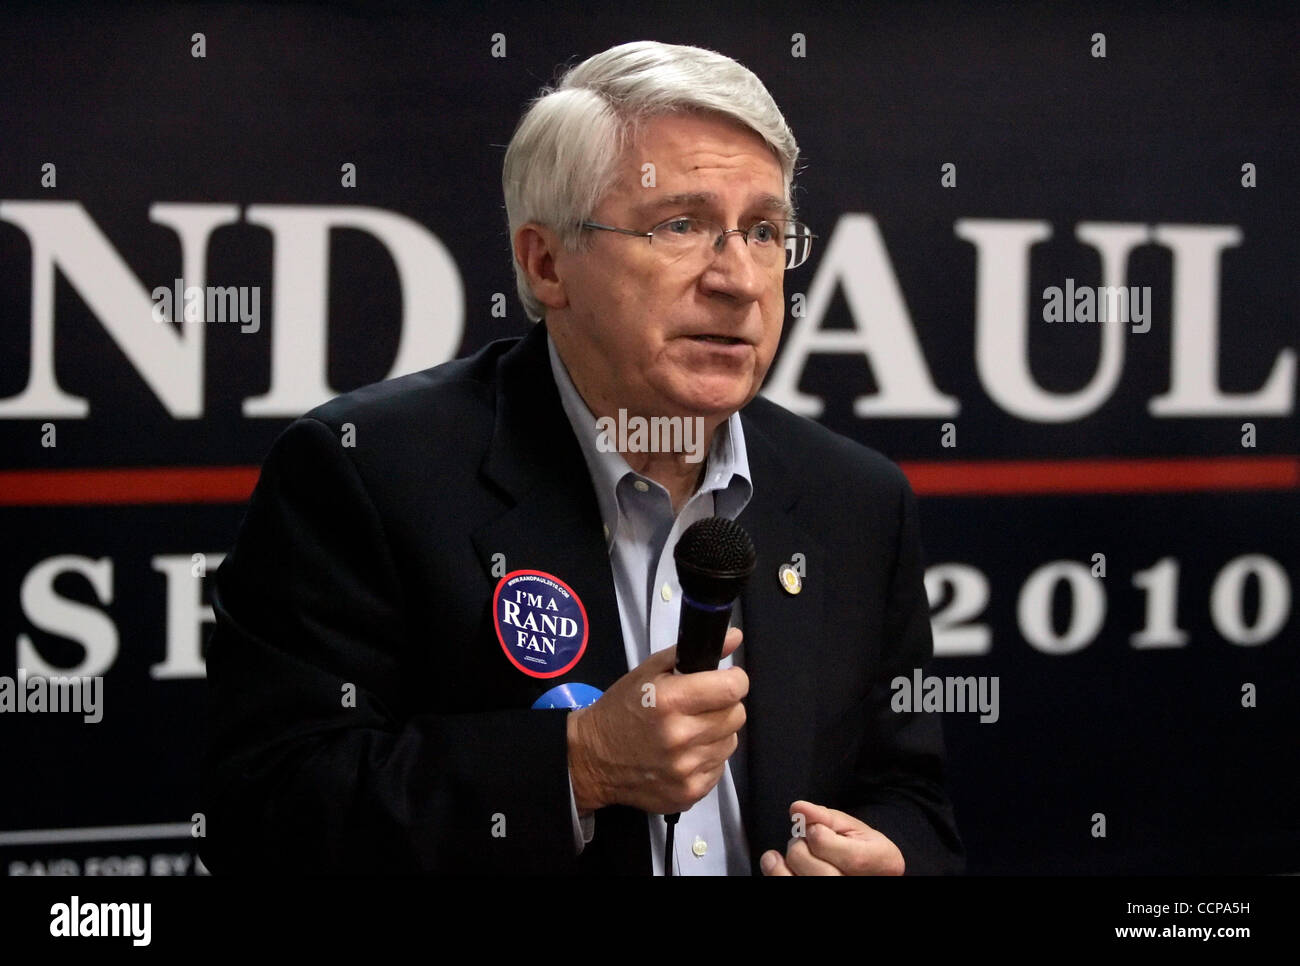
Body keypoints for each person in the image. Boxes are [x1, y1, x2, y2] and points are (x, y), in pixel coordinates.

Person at [200, 40, 964, 876]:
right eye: (682, 224)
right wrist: (578, 767)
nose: (741, 280)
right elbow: (267, 815)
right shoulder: (364, 472)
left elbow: (910, 796)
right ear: (547, 262)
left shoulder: (854, 497)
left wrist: (888, 863)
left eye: (765, 231)